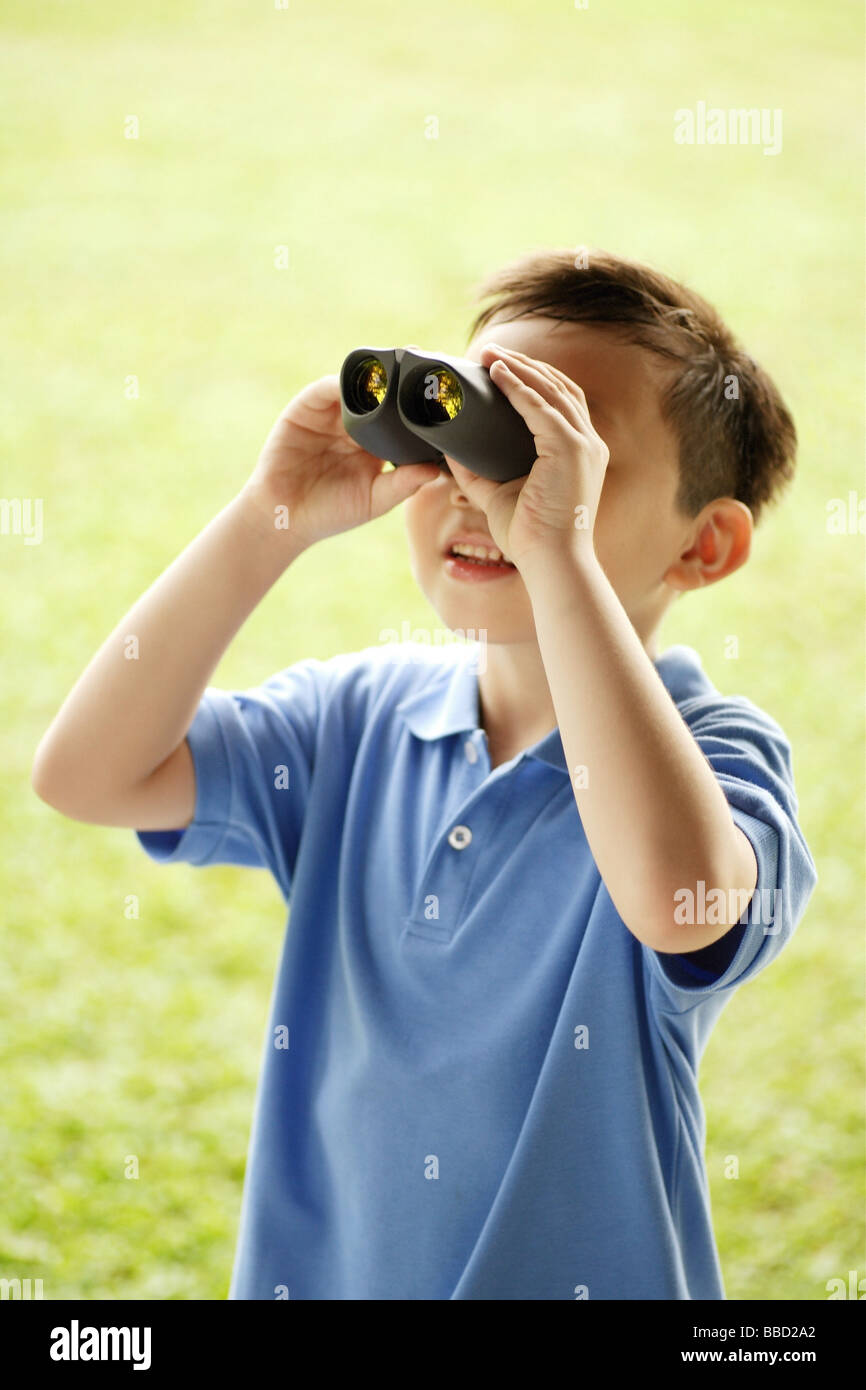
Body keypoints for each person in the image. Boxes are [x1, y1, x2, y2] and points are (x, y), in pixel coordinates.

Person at [31, 247, 817, 1299]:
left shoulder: (713, 755)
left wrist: (557, 552)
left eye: (552, 459)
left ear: (703, 547)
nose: (484, 496)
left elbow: (679, 903)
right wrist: (271, 514)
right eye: (468, 441)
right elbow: (89, 776)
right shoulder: (356, 721)